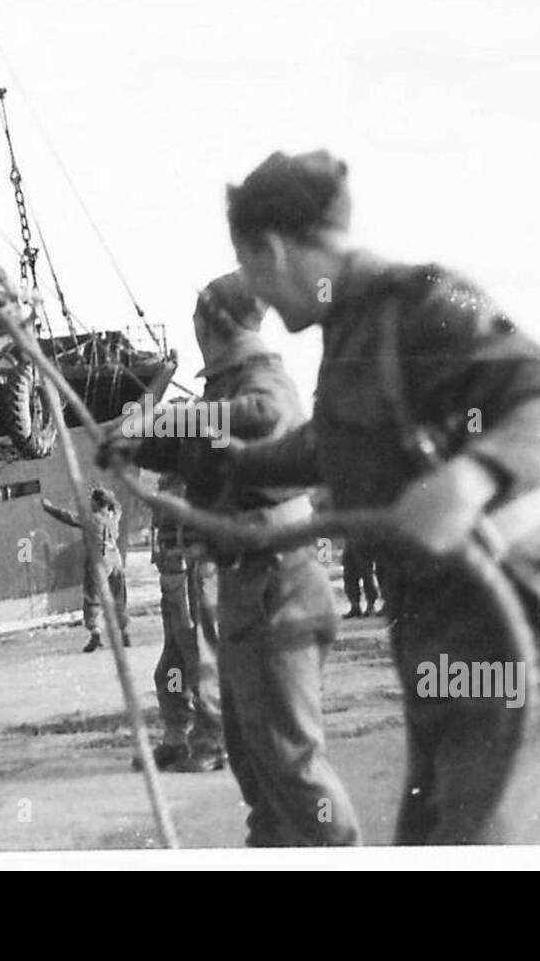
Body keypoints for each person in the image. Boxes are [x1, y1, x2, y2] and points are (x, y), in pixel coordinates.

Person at [221, 150, 540, 843]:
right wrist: (222, 461)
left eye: (250, 269)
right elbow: (334, 448)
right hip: (436, 630)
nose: (259, 297)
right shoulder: (347, 331)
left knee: (488, 841)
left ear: (270, 249)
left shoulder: (426, 303)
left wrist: (473, 476)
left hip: (507, 621)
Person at [103, 271, 361, 845]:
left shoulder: (260, 381)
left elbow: (261, 420)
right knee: (255, 764)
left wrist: (166, 422)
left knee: (290, 767)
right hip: (250, 587)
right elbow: (204, 435)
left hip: (279, 588)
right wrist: (136, 440)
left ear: (206, 322)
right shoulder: (227, 387)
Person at [140, 473, 223, 772]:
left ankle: (212, 743)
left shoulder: (207, 456)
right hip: (172, 575)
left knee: (201, 661)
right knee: (172, 665)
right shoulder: (168, 467)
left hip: (197, 573)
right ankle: (177, 737)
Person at [42, 486, 131, 653]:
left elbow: (67, 517)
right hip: (116, 559)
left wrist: (48, 507)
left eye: (92, 500)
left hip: (99, 561)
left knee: (92, 597)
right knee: (119, 596)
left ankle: (95, 634)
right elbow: (118, 507)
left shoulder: (90, 519)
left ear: (97, 503)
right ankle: (124, 630)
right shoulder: (114, 516)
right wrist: (110, 498)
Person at [341, 541, 380, 618]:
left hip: (364, 546)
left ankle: (370, 605)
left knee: (366, 576)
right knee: (349, 577)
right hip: (350, 546)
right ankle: (355, 606)